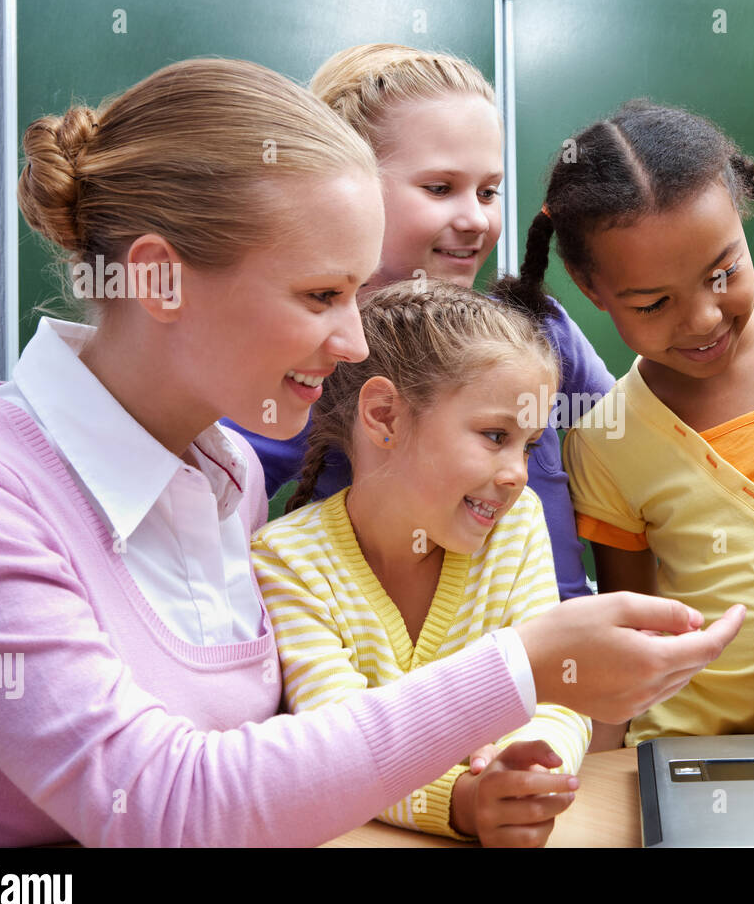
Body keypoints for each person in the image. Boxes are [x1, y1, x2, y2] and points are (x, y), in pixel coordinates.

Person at [0, 59, 743, 847]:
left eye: (356, 293)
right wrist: (522, 668)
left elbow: (278, 769)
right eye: (320, 295)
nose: (354, 342)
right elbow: (159, 804)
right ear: (159, 282)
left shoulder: (229, 477)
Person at [498, 100, 754, 750]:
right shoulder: (607, 440)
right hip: (690, 755)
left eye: (722, 274)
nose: (700, 320)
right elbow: (635, 642)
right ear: (590, 288)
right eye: (653, 302)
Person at [223, 43, 614, 600]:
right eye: (439, 188)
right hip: (396, 680)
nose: (476, 219)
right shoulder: (309, 363)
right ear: (345, 184)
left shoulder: (537, 330)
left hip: (570, 675)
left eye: (488, 191)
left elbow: (638, 443)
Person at [254, 282, 589, 846]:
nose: (517, 473)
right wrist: (463, 801)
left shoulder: (516, 524)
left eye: (528, 445)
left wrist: (524, 770)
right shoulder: (288, 561)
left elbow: (557, 692)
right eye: (495, 435)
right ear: (384, 415)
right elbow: (340, 750)